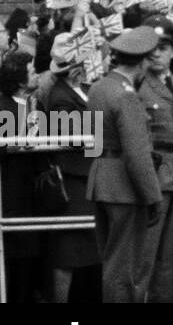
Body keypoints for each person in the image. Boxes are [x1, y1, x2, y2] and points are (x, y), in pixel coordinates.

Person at [87, 27, 164, 303]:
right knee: (126, 267)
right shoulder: (126, 95)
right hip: (125, 186)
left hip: (102, 179)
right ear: (143, 62)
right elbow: (137, 155)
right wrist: (153, 196)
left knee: (112, 261)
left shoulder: (99, 87)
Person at [137, 16, 173, 303]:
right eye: (152, 47)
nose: (156, 53)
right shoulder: (137, 85)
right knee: (145, 257)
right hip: (153, 174)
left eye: (163, 47)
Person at [39, 35, 100, 302]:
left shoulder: (81, 91)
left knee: (88, 250)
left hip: (87, 178)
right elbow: (73, 137)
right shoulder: (61, 97)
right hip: (73, 180)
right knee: (68, 252)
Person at [0, 51, 40, 302]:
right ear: (20, 78)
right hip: (11, 193)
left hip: (32, 193)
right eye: (32, 69)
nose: (37, 73)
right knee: (16, 258)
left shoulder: (35, 103)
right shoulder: (3, 106)